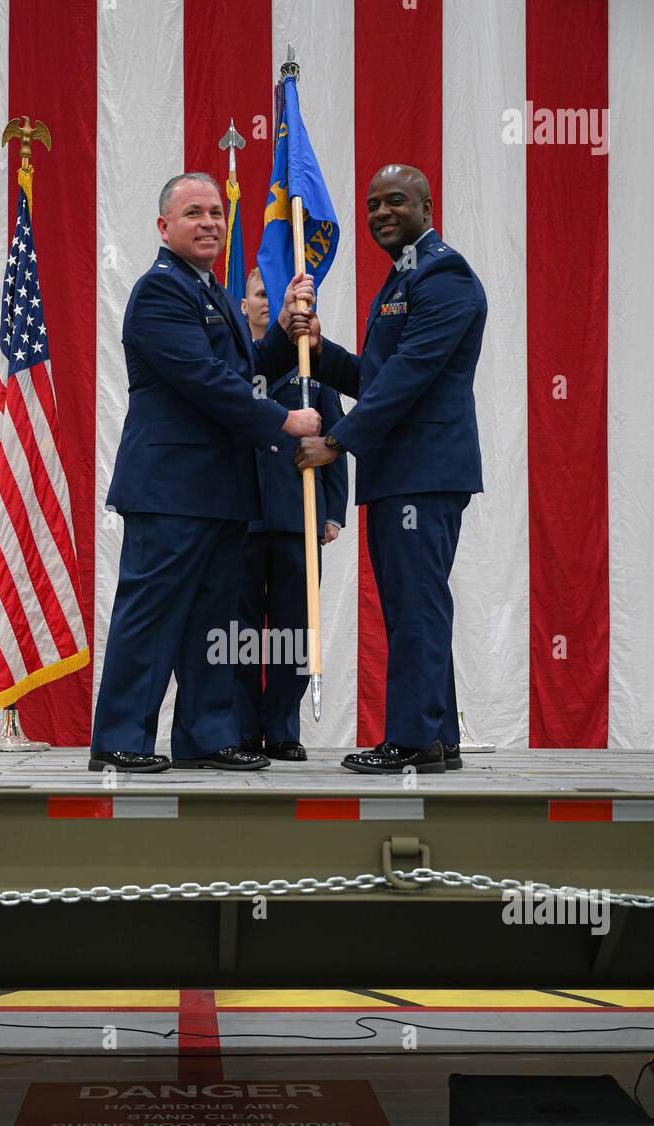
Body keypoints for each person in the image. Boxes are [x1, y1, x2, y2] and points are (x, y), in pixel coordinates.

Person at [89, 172, 320, 774]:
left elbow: (236, 371)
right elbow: (204, 380)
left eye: (217, 212)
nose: (212, 222)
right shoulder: (161, 291)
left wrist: (287, 331)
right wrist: (283, 420)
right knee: (152, 614)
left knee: (214, 623)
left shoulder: (213, 291)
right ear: (164, 227)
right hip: (170, 489)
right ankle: (119, 738)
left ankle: (205, 735)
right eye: (195, 212)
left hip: (218, 491)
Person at [293, 164, 487, 774]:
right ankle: (437, 736)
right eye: (373, 204)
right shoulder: (404, 276)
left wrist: (338, 441)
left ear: (428, 206)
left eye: (395, 201)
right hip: (403, 470)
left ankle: (412, 741)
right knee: (414, 604)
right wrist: (322, 354)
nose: (381, 213)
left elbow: (410, 376)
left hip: (422, 471)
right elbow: (380, 376)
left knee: (416, 605)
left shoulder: (444, 274)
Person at [236, 267, 348, 760]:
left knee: (294, 629)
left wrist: (333, 512)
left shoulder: (310, 361)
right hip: (240, 513)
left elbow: (336, 441)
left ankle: (281, 728)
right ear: (244, 304)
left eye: (275, 297)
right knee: (238, 632)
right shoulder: (233, 361)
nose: (267, 304)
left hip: (296, 513)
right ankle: (241, 728)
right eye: (260, 295)